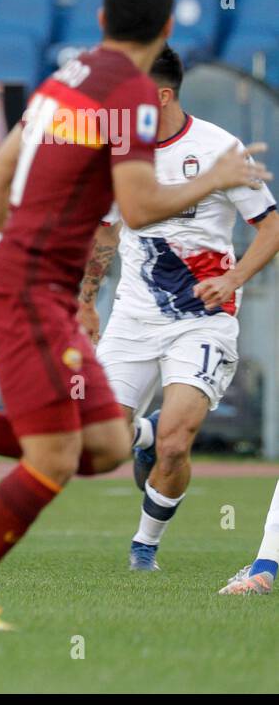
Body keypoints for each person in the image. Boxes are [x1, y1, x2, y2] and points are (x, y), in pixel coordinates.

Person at [0, 0, 271, 629]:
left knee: (109, 448)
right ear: (169, 27)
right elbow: (140, 208)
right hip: (32, 285)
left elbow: (0, 172)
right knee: (55, 457)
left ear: (99, 21)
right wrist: (218, 178)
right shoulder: (134, 97)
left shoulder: (67, 77)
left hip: (26, 281)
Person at [78, 46, 279, 571]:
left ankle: (145, 546)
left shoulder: (219, 148)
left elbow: (272, 225)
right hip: (133, 319)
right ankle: (139, 434)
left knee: (175, 444)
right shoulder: (117, 150)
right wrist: (86, 302)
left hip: (202, 321)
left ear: (161, 95)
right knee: (98, 448)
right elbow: (105, 231)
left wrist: (234, 276)